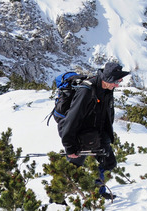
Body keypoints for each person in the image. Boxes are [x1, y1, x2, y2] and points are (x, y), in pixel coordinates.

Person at [57, 61, 129, 196]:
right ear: (107, 79)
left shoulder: (107, 89)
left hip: (98, 133)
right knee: (72, 167)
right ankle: (57, 198)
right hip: (81, 135)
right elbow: (72, 119)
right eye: (116, 81)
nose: (117, 84)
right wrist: (69, 146)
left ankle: (98, 193)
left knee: (109, 163)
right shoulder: (86, 91)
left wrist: (107, 135)